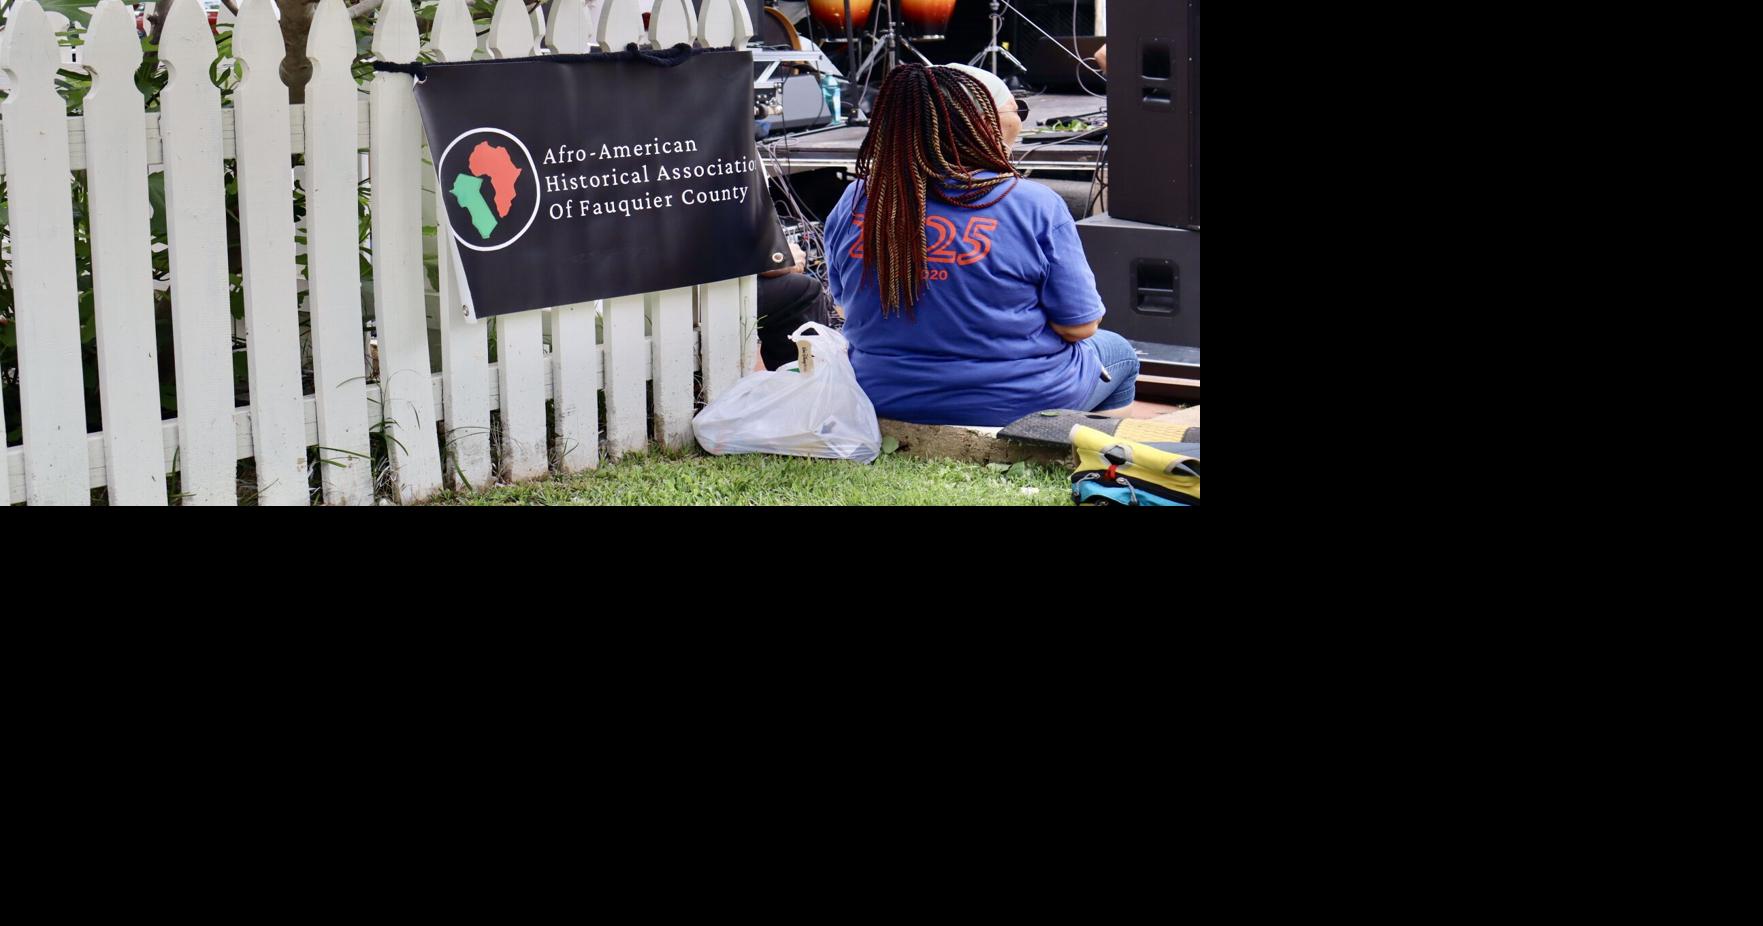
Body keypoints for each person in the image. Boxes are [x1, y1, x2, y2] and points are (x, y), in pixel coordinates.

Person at [820, 63, 1138, 426]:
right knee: (1120, 355)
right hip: (1018, 400)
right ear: (985, 123)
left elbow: (844, 304)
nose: (1020, 120)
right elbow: (1080, 327)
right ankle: (1072, 447)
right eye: (1016, 110)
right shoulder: (1034, 204)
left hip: (880, 393)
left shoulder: (857, 198)